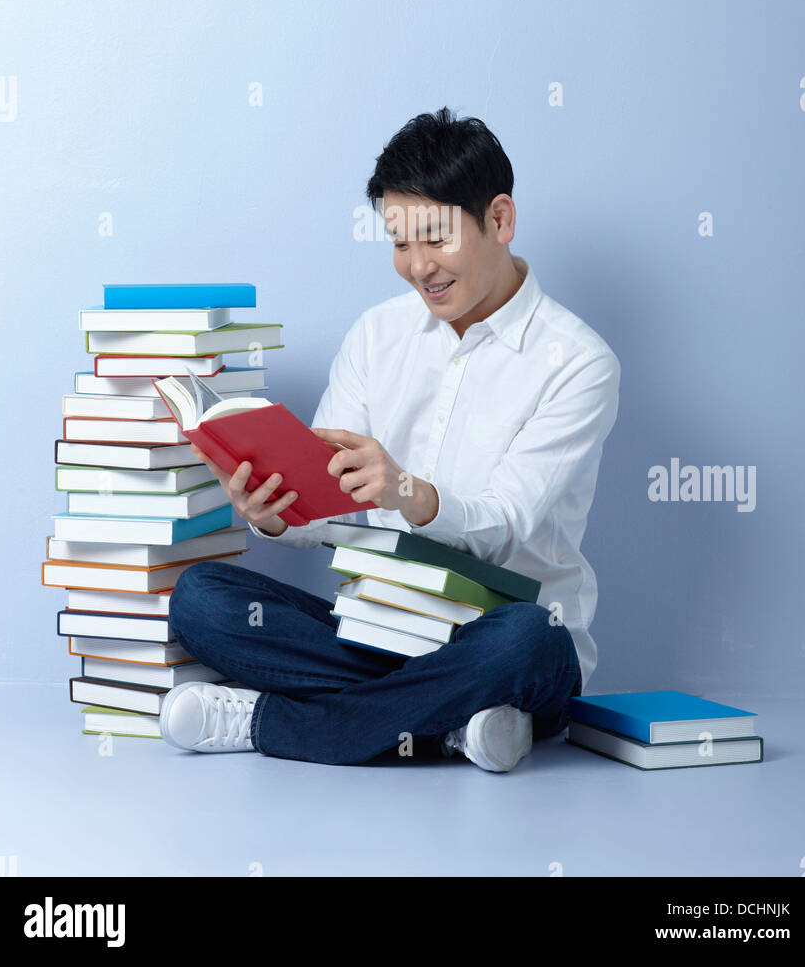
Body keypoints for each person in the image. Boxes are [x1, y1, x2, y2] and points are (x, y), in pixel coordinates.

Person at [159, 107, 620, 772]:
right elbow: (329, 514)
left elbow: (507, 526)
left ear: (499, 220)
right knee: (202, 598)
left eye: (435, 238)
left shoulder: (579, 363)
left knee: (532, 641)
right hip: (376, 631)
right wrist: (275, 514)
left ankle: (267, 721)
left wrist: (409, 491)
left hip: (496, 637)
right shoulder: (376, 335)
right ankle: (454, 725)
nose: (417, 266)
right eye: (400, 242)